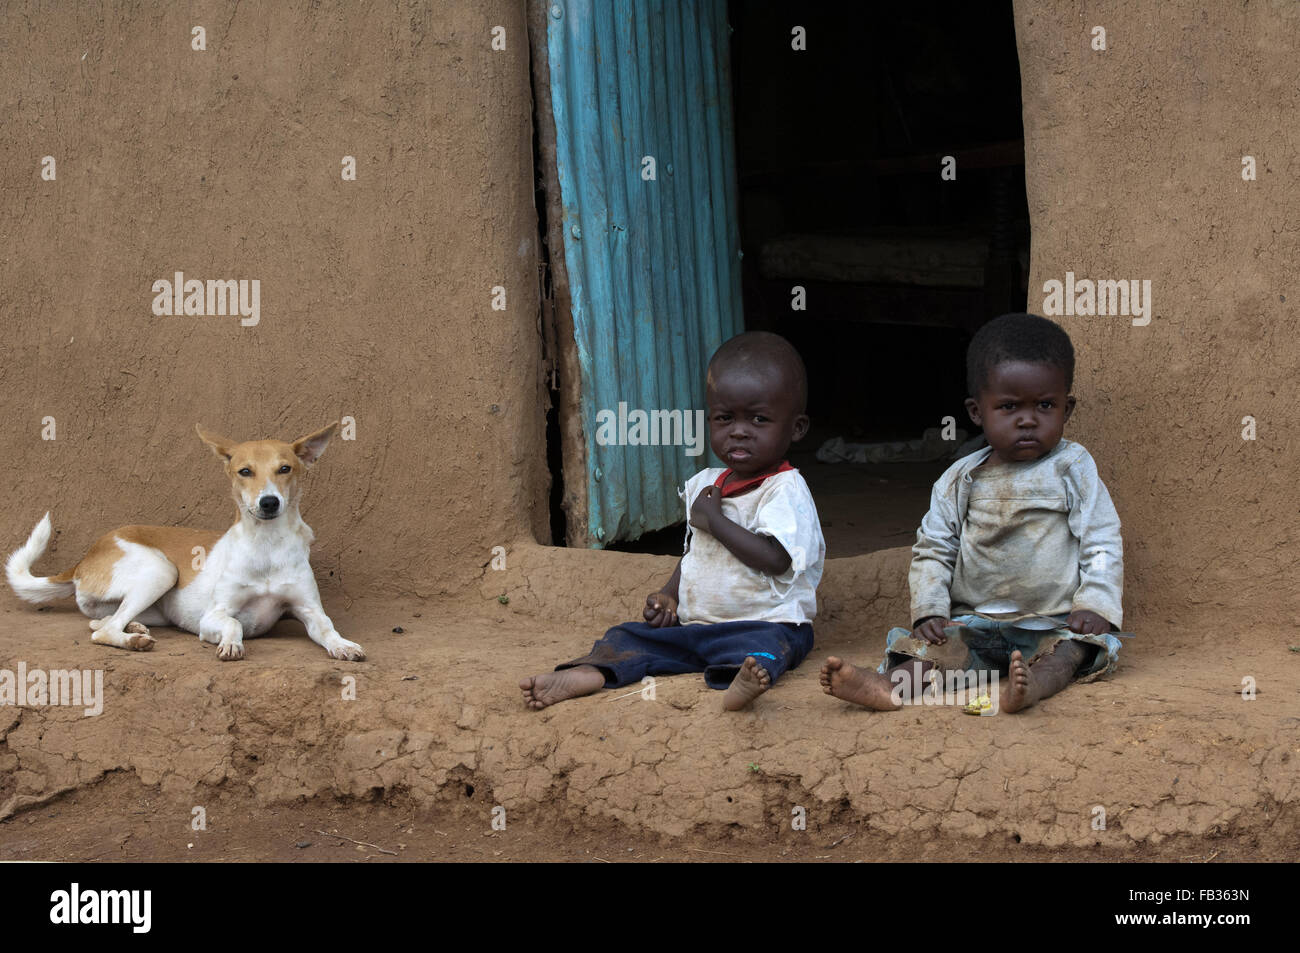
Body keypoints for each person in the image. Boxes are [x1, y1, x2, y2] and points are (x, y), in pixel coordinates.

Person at [821, 313, 1126, 714]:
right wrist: (930, 609)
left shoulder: (1073, 467)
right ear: (977, 412)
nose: (1028, 419)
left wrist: (1095, 605)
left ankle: (1034, 685)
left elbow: (1100, 538)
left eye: (1045, 405)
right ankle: (886, 688)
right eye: (1009, 406)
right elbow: (934, 546)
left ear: (1067, 409)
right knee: (933, 653)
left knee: (1075, 652)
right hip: (974, 627)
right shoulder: (959, 478)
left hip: (1050, 624)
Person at [520, 331, 825, 711]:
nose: (739, 430)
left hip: (765, 624)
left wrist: (714, 519)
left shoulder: (785, 489)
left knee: (767, 648)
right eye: (725, 418)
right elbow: (699, 553)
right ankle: (593, 673)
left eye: (760, 419)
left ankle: (742, 681)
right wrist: (670, 595)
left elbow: (775, 559)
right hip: (696, 629)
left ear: (796, 428)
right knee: (628, 636)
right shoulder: (706, 483)